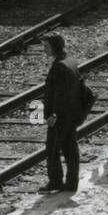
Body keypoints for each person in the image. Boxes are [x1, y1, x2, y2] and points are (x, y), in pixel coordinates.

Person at [40, 32, 82, 193]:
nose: (44, 50)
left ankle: (56, 181)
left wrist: (54, 115)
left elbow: (60, 94)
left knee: (52, 149)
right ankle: (71, 183)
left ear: (55, 47)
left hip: (60, 116)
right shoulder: (69, 60)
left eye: (46, 46)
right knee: (70, 148)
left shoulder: (60, 66)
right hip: (71, 112)